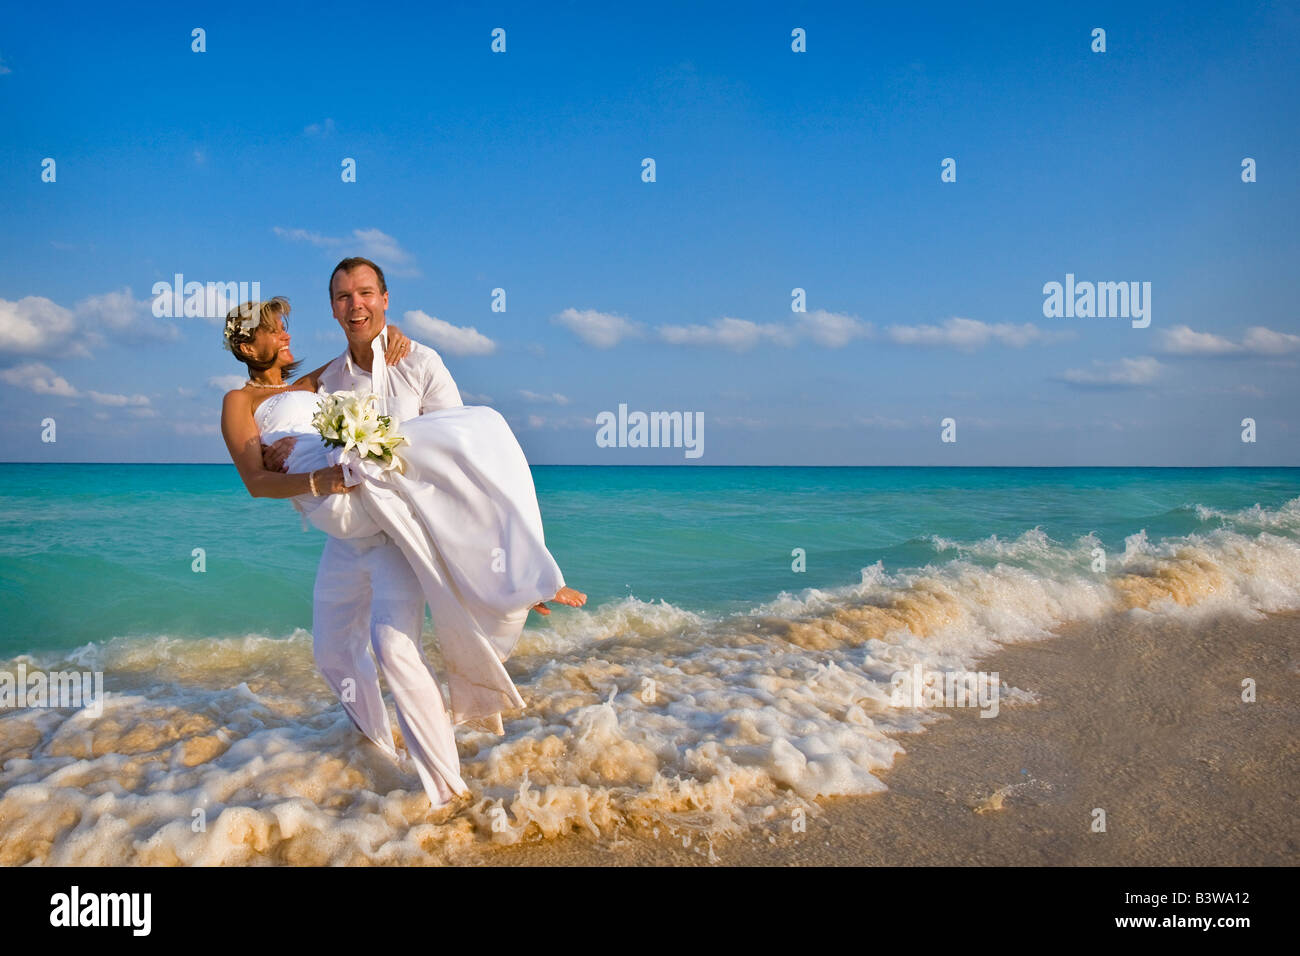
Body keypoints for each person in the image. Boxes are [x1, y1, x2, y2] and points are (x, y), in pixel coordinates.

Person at [218, 264, 584, 812]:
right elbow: (255, 480)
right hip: (343, 536)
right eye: (274, 327)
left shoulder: (360, 371)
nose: (286, 335)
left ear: (384, 299)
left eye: (364, 295)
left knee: (394, 648)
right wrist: (309, 474)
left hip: (391, 532)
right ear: (247, 344)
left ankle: (449, 791)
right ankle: (376, 750)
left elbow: (459, 463)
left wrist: (394, 341)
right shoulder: (264, 395)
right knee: (332, 651)